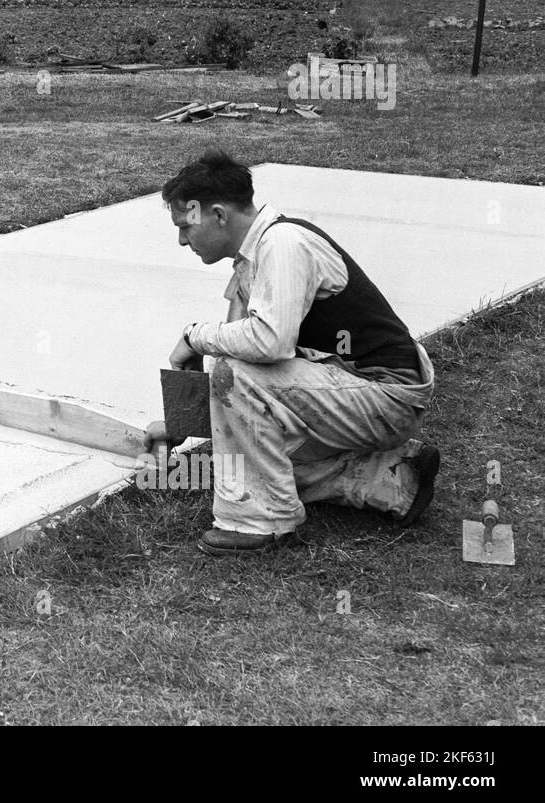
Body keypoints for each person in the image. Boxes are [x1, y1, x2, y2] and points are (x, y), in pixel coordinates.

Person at [149, 149, 440, 555]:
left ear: (218, 215)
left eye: (185, 226)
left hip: (387, 395)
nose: (182, 240)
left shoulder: (283, 244)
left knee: (238, 385)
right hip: (350, 388)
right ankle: (393, 480)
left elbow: (268, 344)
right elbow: (235, 346)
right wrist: (180, 424)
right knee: (248, 464)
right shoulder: (253, 257)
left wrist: (193, 336)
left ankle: (260, 522)